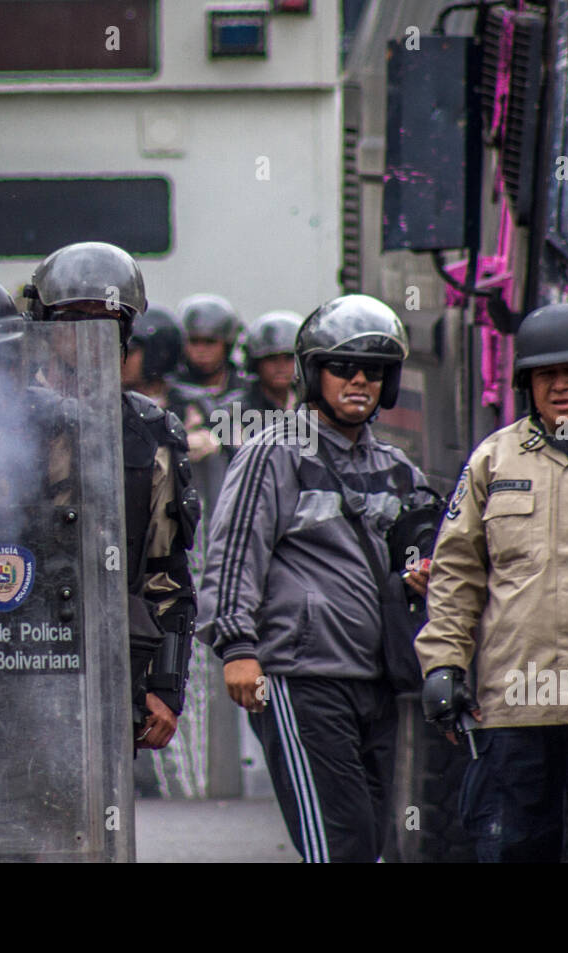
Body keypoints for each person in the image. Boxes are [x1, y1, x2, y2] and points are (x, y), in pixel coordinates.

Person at [199, 293, 433, 863]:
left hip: (377, 681)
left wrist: (417, 578)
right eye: (342, 366)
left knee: (375, 842)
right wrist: (237, 648)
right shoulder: (273, 452)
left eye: (375, 370)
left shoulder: (399, 470)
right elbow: (233, 554)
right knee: (339, 843)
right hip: (299, 678)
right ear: (313, 373)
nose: (359, 380)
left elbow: (419, 562)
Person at [415, 302, 568, 863]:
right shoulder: (494, 458)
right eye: (544, 375)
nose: (560, 386)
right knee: (510, 850)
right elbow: (457, 573)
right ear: (524, 382)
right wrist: (444, 665)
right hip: (514, 705)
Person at [25, 242, 200, 750]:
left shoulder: (149, 429)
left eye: (106, 321)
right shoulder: (2, 419)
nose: (89, 336)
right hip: (14, 649)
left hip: (113, 661)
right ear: (45, 326)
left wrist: (166, 687)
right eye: (74, 320)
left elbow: (166, 570)